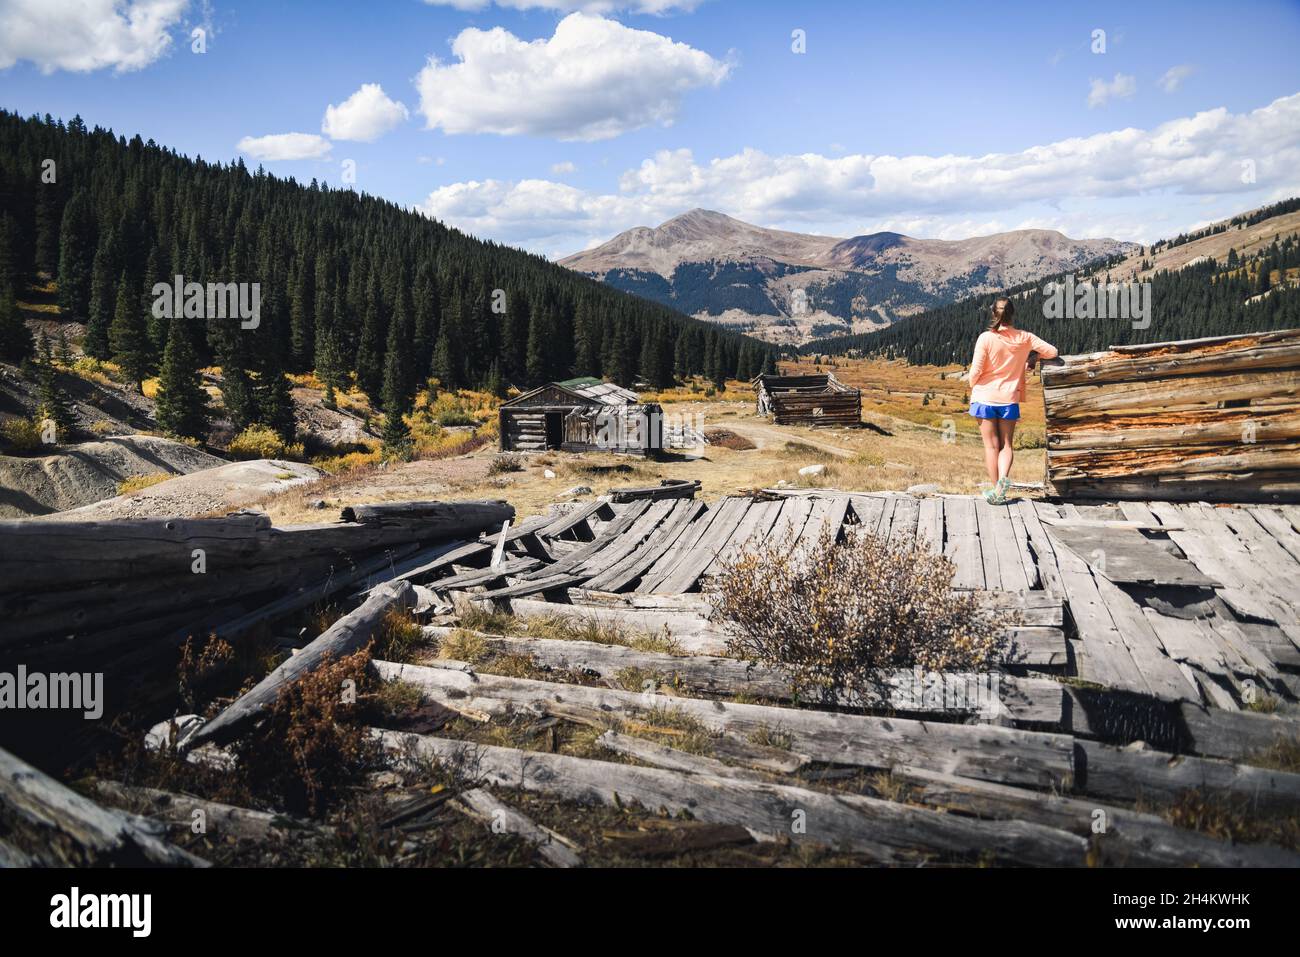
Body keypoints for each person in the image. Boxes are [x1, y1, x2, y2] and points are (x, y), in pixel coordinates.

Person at [966, 297, 1058, 504]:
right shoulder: (1025, 337)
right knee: (1006, 445)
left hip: (984, 397)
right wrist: (1034, 357)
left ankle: (997, 491)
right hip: (1009, 399)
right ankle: (1002, 483)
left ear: (993, 314)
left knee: (991, 447)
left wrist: (973, 384)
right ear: (1013, 314)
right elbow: (1053, 352)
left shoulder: (985, 338)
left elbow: (976, 370)